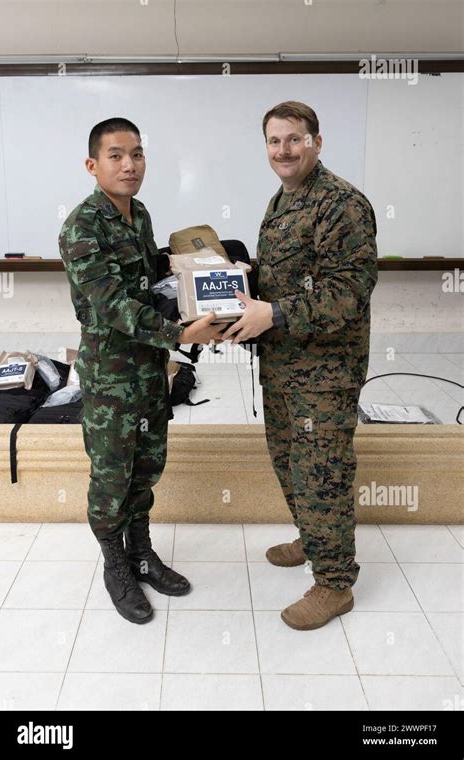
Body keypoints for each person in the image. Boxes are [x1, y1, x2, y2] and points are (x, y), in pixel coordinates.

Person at [59, 117, 225, 624]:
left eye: (136, 154)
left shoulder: (140, 215)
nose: (129, 164)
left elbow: (146, 280)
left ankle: (142, 552)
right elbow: (113, 305)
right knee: (111, 477)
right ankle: (116, 568)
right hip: (111, 378)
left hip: (150, 372)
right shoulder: (81, 227)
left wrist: (192, 271)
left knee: (147, 468)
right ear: (93, 165)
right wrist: (180, 335)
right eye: (115, 155)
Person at [224, 101, 378, 630]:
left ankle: (335, 583)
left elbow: (347, 294)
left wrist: (274, 311)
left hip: (325, 372)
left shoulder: (341, 205)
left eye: (294, 139)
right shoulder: (283, 199)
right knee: (289, 459)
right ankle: (313, 541)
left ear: (316, 141)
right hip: (284, 363)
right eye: (274, 141)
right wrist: (246, 279)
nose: (283, 150)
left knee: (322, 473)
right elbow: (294, 276)